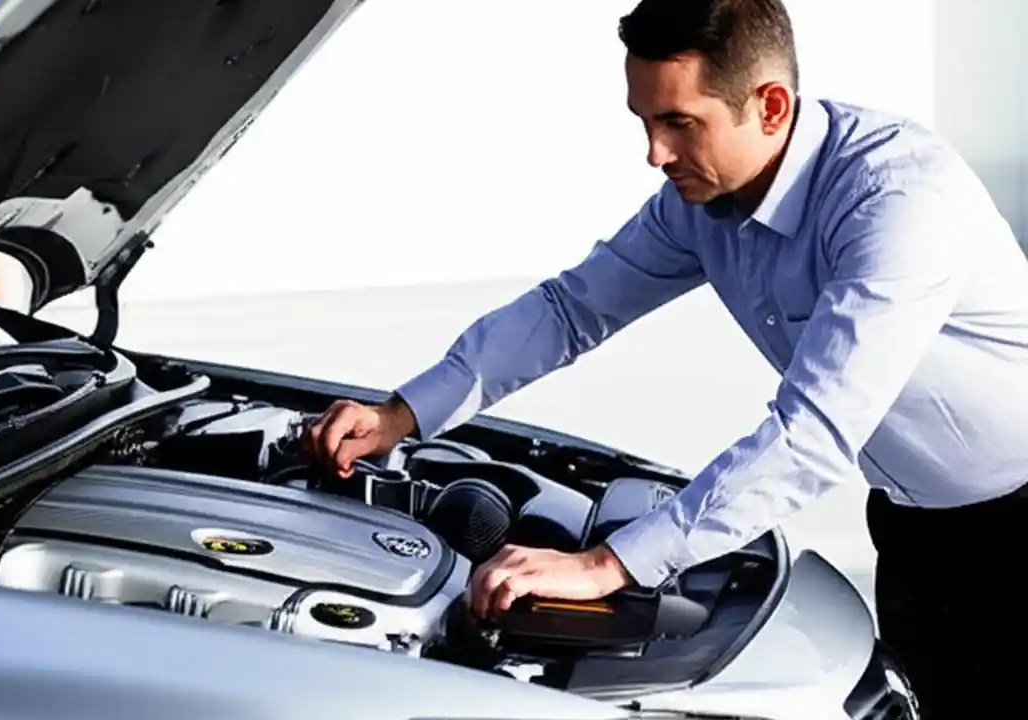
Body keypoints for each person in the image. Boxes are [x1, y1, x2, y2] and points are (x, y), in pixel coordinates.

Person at [302, 0, 1028, 715]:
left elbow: (815, 435)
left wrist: (608, 565)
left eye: (680, 123)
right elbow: (571, 310)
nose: (656, 153)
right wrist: (402, 413)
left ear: (771, 106)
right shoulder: (701, 199)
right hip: (916, 524)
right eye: (646, 122)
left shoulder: (896, 202)